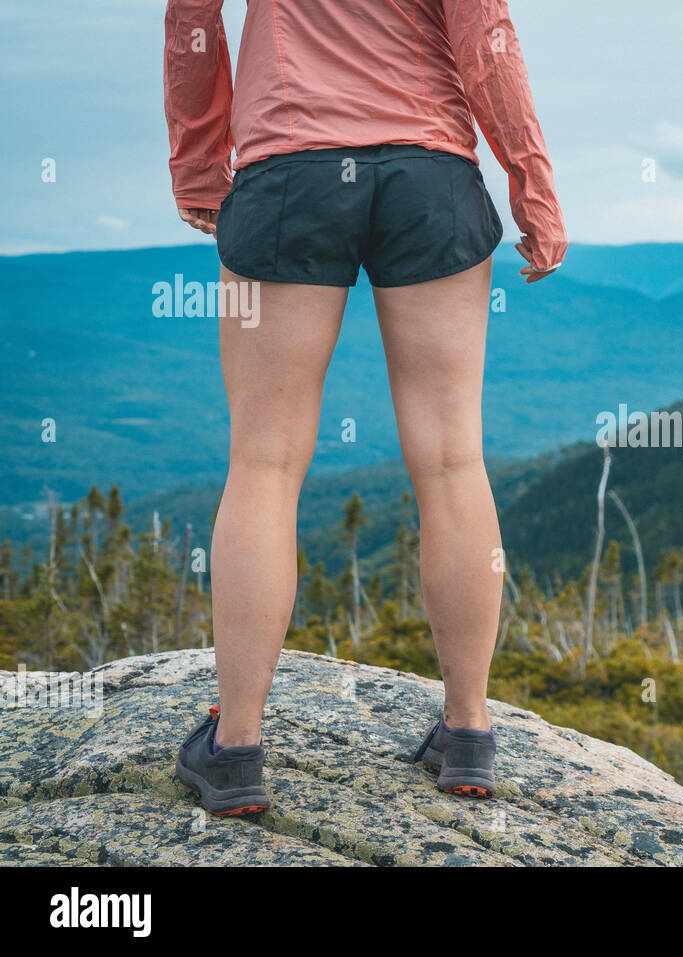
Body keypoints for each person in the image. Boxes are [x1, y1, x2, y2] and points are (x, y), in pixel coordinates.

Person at [165, 0, 566, 814]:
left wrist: (202, 166)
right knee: (453, 459)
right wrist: (533, 188)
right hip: (430, 174)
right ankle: (467, 734)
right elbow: (486, 38)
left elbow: (192, 19)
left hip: (290, 169)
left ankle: (235, 746)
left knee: (264, 462)